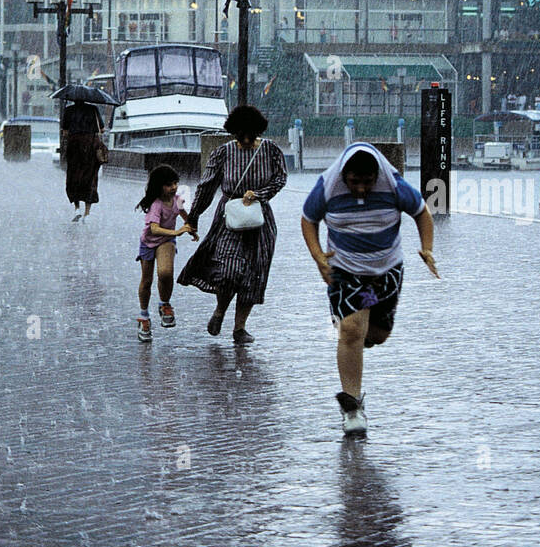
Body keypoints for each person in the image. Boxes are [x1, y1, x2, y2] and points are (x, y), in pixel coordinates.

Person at [301, 142, 439, 437]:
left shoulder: (394, 186)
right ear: (344, 176)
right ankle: (352, 409)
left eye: (368, 182)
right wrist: (317, 256)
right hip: (345, 271)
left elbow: (422, 212)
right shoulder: (327, 186)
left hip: (384, 273)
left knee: (377, 335)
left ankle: (355, 333)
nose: (362, 189)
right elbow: (308, 219)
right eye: (355, 182)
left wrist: (427, 248)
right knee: (351, 329)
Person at [177, 103, 288, 343]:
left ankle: (239, 328)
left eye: (251, 137)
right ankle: (220, 310)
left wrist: (260, 193)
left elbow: (281, 178)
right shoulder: (223, 153)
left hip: (259, 219)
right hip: (229, 218)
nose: (246, 142)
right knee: (228, 270)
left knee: (253, 274)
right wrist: (194, 216)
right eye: (241, 137)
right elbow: (207, 186)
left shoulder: (270, 150)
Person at [135, 165, 195, 342]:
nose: (174, 187)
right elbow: (154, 228)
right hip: (149, 242)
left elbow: (185, 215)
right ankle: (144, 316)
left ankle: (164, 304)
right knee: (147, 281)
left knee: (166, 273)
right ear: (159, 186)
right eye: (169, 184)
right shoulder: (156, 205)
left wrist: (192, 229)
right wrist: (177, 232)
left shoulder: (176, 200)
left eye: (176, 183)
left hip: (166, 241)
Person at [61, 99, 105, 221]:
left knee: (74, 177)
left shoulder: (68, 110)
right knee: (90, 178)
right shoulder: (93, 109)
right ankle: (87, 213)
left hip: (74, 146)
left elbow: (65, 132)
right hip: (91, 146)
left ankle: (77, 209)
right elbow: (102, 129)